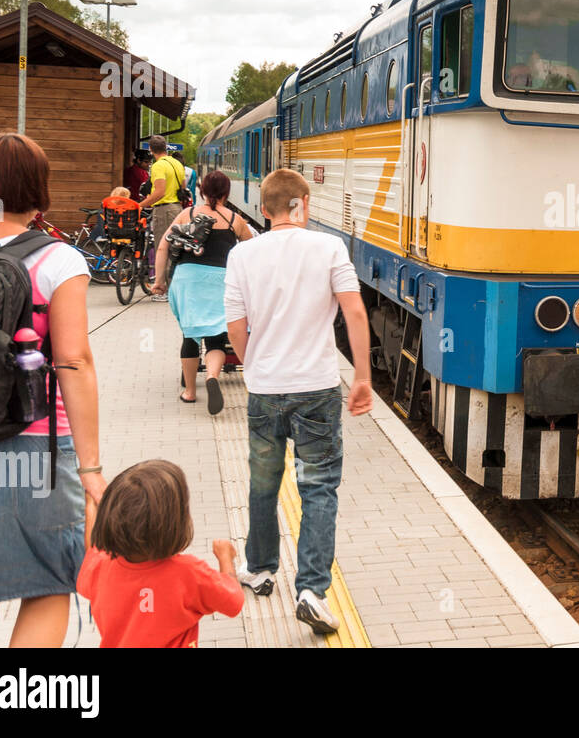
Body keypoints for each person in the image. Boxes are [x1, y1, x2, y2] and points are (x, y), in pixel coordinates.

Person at [0, 133, 106, 648]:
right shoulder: (58, 260)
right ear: (37, 188)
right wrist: (91, 469)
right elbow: (73, 361)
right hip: (34, 446)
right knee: (46, 588)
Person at [224, 169, 371, 635]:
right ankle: (310, 590)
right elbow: (354, 311)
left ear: (264, 210)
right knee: (319, 488)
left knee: (264, 483)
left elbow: (235, 325)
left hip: (266, 391)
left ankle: (261, 569)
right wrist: (363, 378)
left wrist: (255, 366)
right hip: (318, 390)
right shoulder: (329, 248)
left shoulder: (242, 254)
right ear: (303, 204)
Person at [77, 460, 244, 648]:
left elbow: (92, 549)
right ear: (174, 524)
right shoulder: (188, 573)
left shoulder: (101, 565)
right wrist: (226, 559)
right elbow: (234, 602)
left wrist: (90, 507)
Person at [152, 170, 253, 415]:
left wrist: (159, 281)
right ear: (227, 193)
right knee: (216, 337)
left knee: (190, 335)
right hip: (220, 280)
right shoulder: (234, 220)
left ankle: (189, 392)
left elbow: (163, 246)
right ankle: (213, 376)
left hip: (187, 280)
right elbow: (253, 253)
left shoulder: (187, 214)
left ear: (202, 191)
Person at [139, 135, 187, 302]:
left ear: (151, 150)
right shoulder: (176, 163)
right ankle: (175, 287)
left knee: (163, 249)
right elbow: (183, 187)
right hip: (177, 209)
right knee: (176, 249)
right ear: (166, 148)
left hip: (164, 209)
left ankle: (165, 290)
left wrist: (141, 205)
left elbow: (159, 192)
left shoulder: (159, 166)